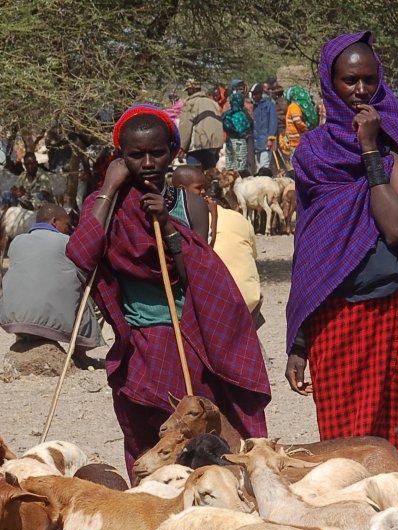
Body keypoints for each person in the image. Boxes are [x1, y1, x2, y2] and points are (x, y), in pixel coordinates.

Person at [67, 104, 270, 473]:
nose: (147, 162)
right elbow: (82, 253)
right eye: (135, 154)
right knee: (145, 437)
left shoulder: (190, 203)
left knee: (192, 439)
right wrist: (110, 187)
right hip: (138, 339)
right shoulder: (107, 204)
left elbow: (199, 272)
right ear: (121, 156)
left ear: (173, 152)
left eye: (156, 153)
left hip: (188, 336)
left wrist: (167, 224)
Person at [283, 32, 398, 457]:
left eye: (368, 79)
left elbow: (396, 226)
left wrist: (370, 150)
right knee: (343, 451)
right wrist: (300, 342)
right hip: (332, 320)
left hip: (389, 311)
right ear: (329, 82)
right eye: (349, 80)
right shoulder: (313, 153)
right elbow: (310, 249)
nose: (360, 90)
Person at [0, 203, 103, 358]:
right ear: (54, 221)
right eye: (66, 224)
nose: (69, 228)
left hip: (10, 319)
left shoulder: (17, 242)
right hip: (52, 322)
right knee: (94, 296)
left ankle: (25, 337)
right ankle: (79, 353)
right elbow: (83, 276)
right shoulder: (68, 243)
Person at [171, 165, 262, 323]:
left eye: (204, 188)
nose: (203, 192)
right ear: (182, 189)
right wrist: (213, 215)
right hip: (233, 300)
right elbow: (204, 248)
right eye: (199, 188)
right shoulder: (179, 218)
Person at [178, 79, 223, 169]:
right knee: (209, 176)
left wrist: (182, 148)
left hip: (196, 148)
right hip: (212, 148)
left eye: (188, 90)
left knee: (194, 177)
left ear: (192, 90)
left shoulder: (190, 104)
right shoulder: (213, 103)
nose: (187, 93)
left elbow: (185, 127)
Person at [279, 86, 319, 158]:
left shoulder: (293, 106)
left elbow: (297, 120)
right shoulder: (295, 106)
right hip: (297, 141)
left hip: (297, 141)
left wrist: (305, 129)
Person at [222, 91, 253, 174]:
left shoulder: (226, 114)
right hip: (240, 142)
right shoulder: (242, 114)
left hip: (229, 142)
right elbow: (249, 126)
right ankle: (239, 184)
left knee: (230, 166)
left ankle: (230, 183)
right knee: (240, 168)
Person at [250, 83, 279, 172]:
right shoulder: (254, 106)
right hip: (256, 143)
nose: (254, 96)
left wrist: (270, 139)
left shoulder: (269, 105)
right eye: (253, 94)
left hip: (266, 142)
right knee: (258, 169)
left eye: (255, 94)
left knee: (264, 168)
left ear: (260, 93)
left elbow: (273, 123)